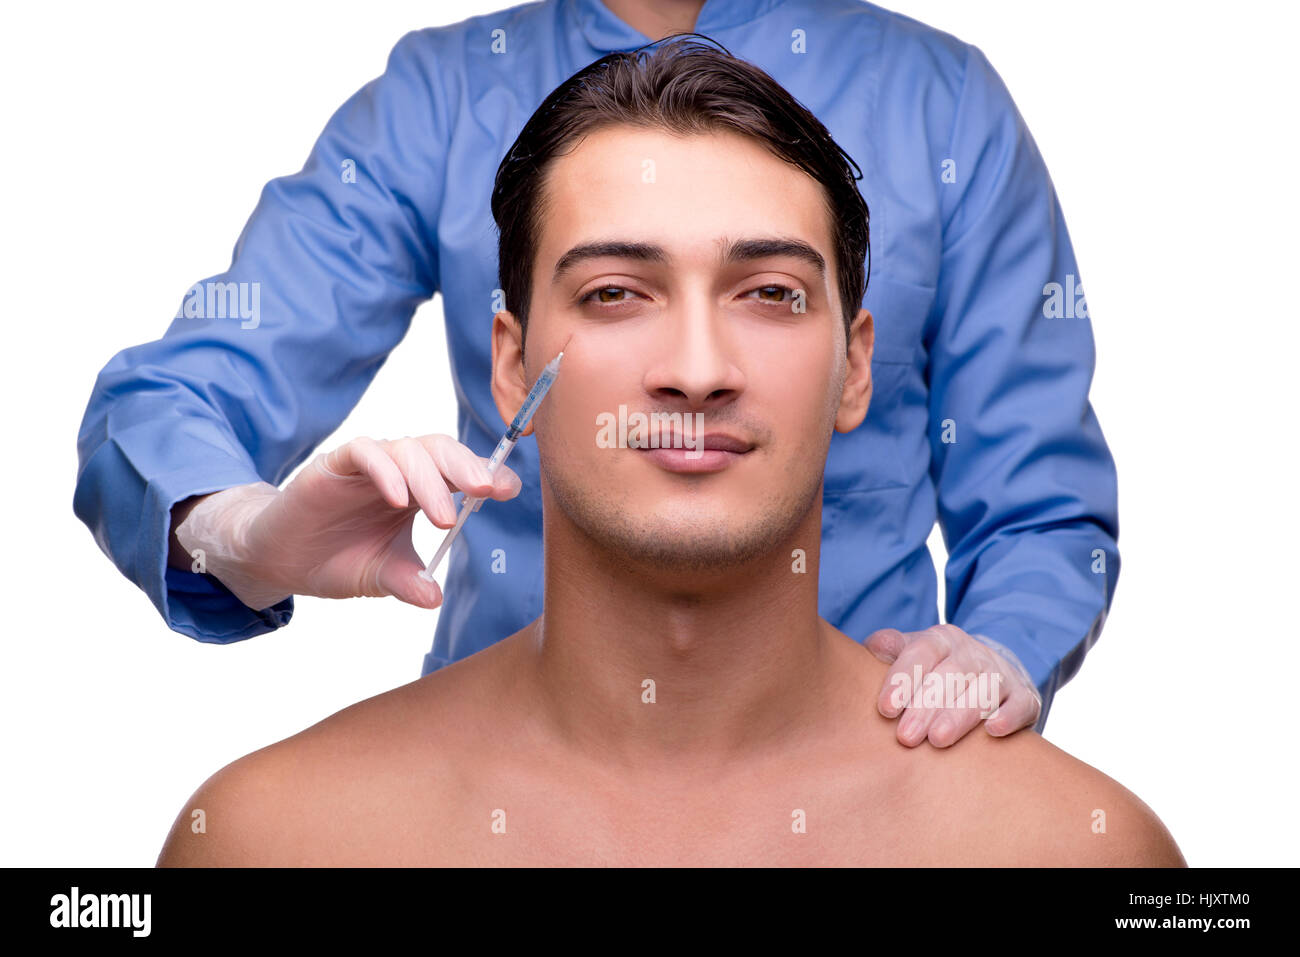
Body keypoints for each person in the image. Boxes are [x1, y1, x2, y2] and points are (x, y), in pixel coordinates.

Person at [158, 40, 1178, 867]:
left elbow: (1042, 497)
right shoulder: (280, 837)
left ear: (855, 364)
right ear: (507, 365)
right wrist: (233, 530)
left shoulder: (1065, 851)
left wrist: (999, 655)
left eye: (771, 293)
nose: (697, 369)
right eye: (613, 293)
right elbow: (179, 400)